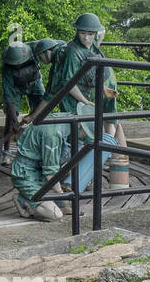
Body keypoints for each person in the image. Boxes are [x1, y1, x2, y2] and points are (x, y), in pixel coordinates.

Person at [46, 13, 129, 187]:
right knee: (77, 138)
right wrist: (84, 102)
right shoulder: (72, 51)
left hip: (96, 95)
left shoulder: (94, 47)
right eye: (83, 33)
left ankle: (85, 174)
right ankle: (70, 177)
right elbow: (69, 82)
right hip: (77, 100)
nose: (86, 37)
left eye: (91, 34)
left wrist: (105, 91)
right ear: (77, 32)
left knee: (100, 133)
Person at [11, 105, 118, 220]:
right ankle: (22, 200)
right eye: (86, 134)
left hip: (41, 170)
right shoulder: (53, 134)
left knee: (66, 206)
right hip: (26, 173)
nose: (86, 137)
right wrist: (64, 195)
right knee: (56, 215)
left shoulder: (68, 120)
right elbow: (50, 173)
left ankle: (50, 201)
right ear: (82, 127)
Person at [1, 38, 64, 158]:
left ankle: (41, 149)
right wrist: (15, 120)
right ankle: (6, 151)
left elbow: (60, 45)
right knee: (10, 116)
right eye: (15, 65)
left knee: (42, 113)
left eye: (20, 63)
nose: (18, 66)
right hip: (15, 88)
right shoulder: (7, 67)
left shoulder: (36, 47)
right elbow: (9, 97)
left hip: (35, 83)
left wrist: (33, 115)